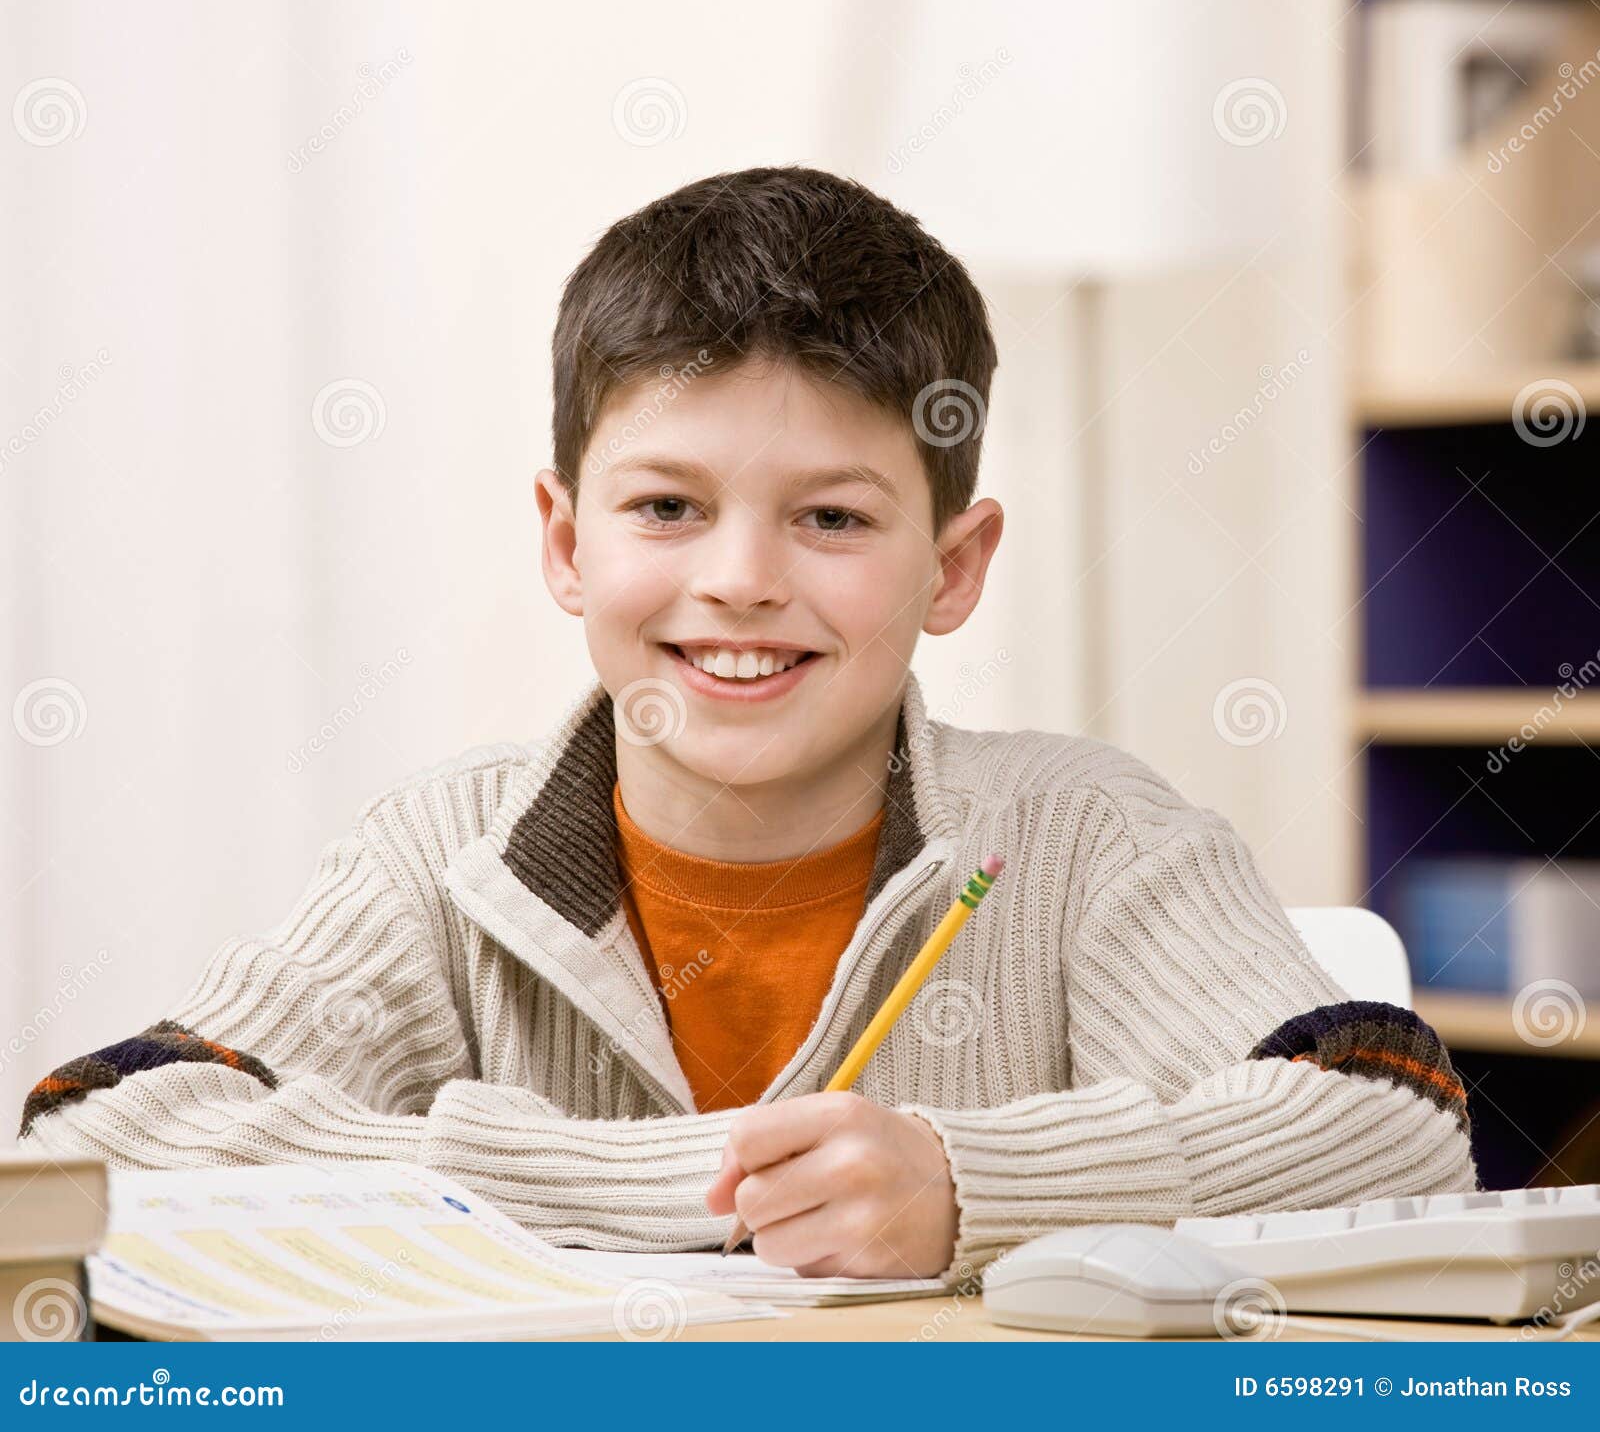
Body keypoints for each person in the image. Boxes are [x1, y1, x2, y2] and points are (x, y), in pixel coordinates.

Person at [18, 166, 1476, 1280]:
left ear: (953, 566)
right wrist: (678, 1180)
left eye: (832, 517)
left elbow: (1394, 1115)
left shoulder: (1086, 836)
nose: (741, 582)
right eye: (667, 506)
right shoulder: (443, 853)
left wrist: (968, 1186)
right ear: (565, 538)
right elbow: (95, 1128)